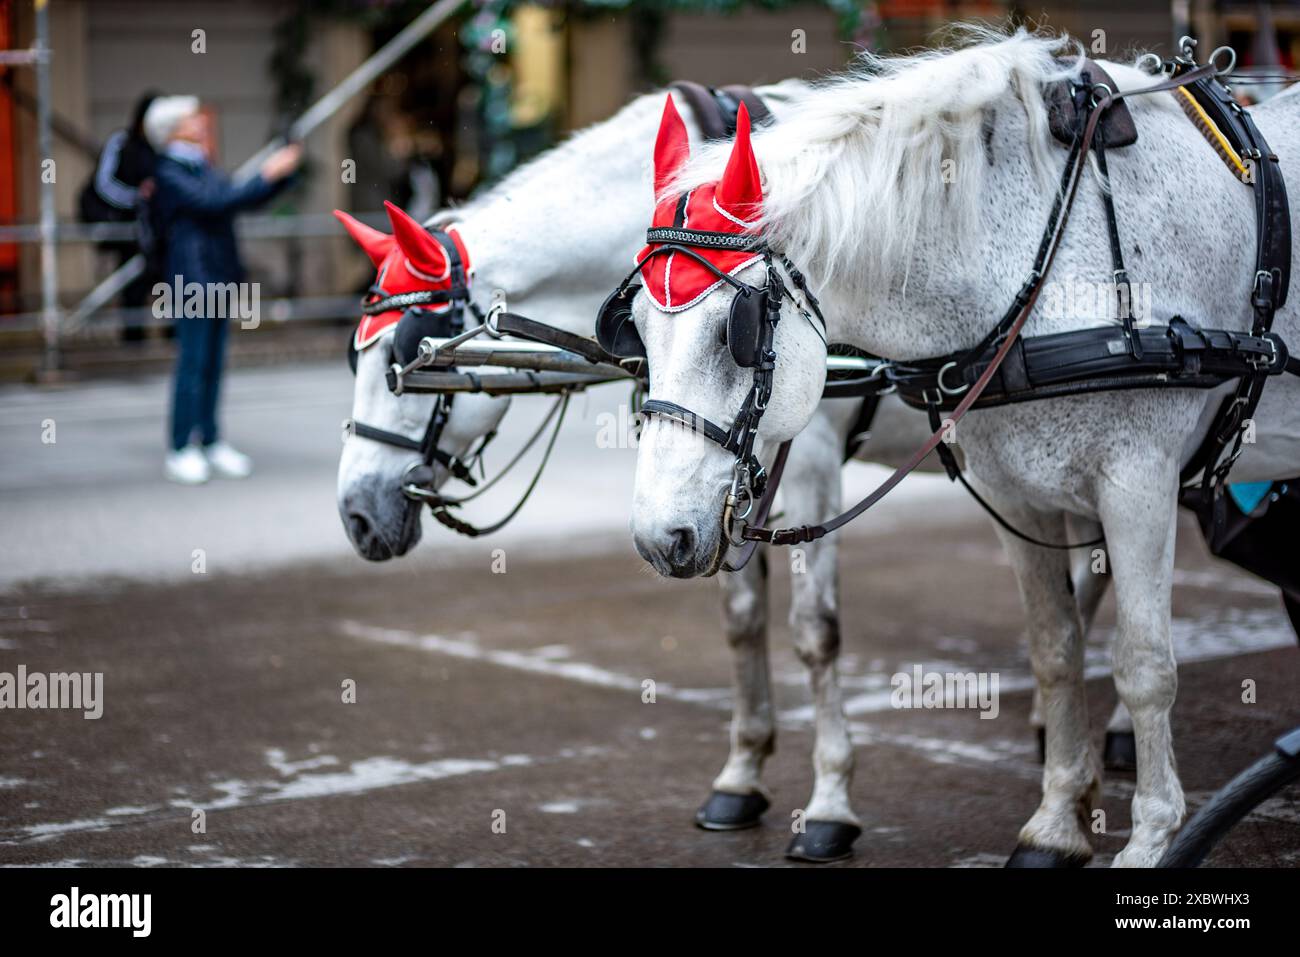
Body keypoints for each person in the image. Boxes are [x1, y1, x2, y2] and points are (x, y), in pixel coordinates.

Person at [143, 96, 302, 485]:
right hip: (190, 279)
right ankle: (181, 446)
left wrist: (281, 176)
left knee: (213, 364)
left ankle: (210, 441)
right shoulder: (168, 170)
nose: (200, 123)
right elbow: (217, 202)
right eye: (190, 119)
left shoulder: (200, 164)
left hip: (218, 274)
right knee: (193, 364)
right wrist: (267, 173)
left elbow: (237, 200)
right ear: (171, 129)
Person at [78, 90, 162, 343]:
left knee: (167, 282)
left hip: (160, 230)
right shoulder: (121, 142)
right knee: (132, 285)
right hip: (129, 231)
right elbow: (104, 184)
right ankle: (133, 338)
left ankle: (174, 336)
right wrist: (137, 196)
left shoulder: (164, 147)